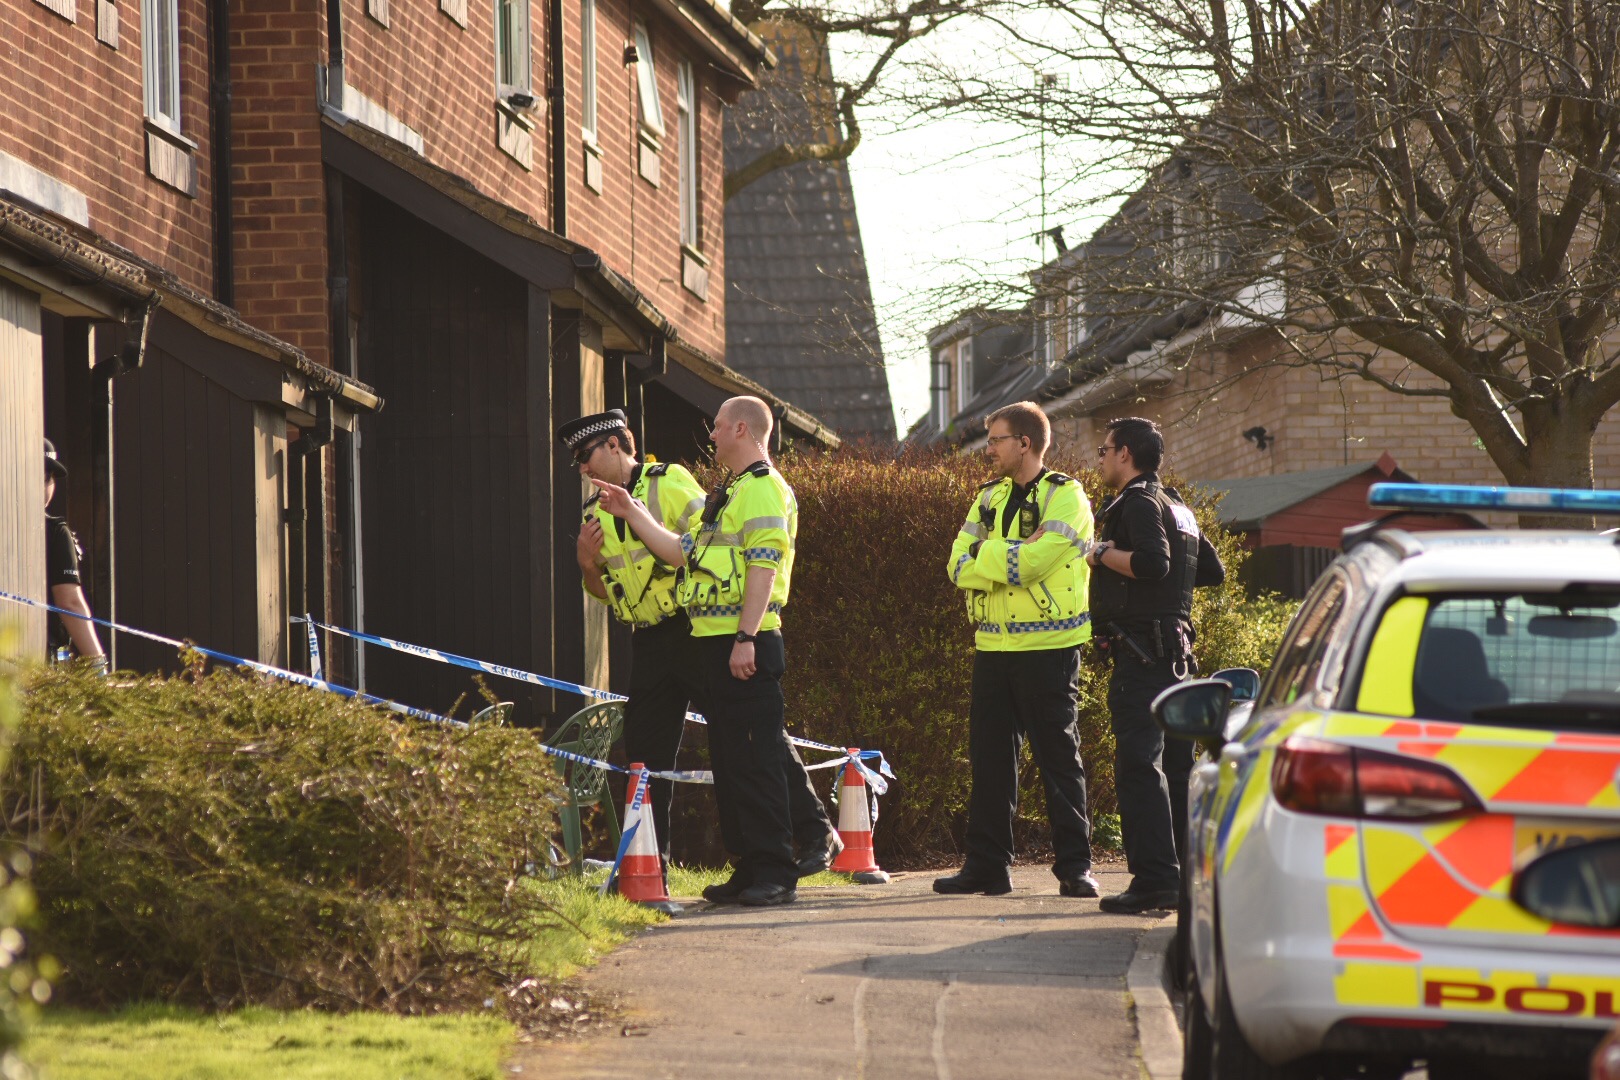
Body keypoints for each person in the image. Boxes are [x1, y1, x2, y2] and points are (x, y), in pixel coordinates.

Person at [561, 409, 843, 880]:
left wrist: (742, 632)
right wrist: (588, 567)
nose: (583, 469)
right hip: (648, 641)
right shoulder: (594, 511)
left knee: (751, 735)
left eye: (585, 456)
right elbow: (605, 589)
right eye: (576, 463)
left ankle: (816, 831)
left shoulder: (668, 481)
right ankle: (650, 866)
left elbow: (709, 549)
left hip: (695, 629)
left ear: (614, 445)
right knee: (644, 753)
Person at [934, 401, 1099, 898]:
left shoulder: (1067, 496)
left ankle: (1075, 868)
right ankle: (986, 867)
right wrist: (1007, 554)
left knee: (1058, 757)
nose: (989, 449)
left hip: (1050, 647)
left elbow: (1034, 564)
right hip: (993, 646)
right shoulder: (987, 499)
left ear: (1024, 443)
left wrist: (988, 555)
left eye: (997, 440)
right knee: (989, 761)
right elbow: (954, 567)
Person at [1087, 417, 1224, 915]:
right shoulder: (1178, 507)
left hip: (1143, 657)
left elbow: (1151, 564)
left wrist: (1102, 554)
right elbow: (1210, 570)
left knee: (1139, 768)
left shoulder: (1139, 502)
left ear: (1125, 453)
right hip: (1176, 657)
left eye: (1104, 450)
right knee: (1176, 770)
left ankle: (1153, 881)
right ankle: (1182, 878)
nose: (1099, 459)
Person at [44, 440, 106, 669]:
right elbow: (69, 603)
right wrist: (98, 666)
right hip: (41, 666)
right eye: (46, 476)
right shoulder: (55, 532)